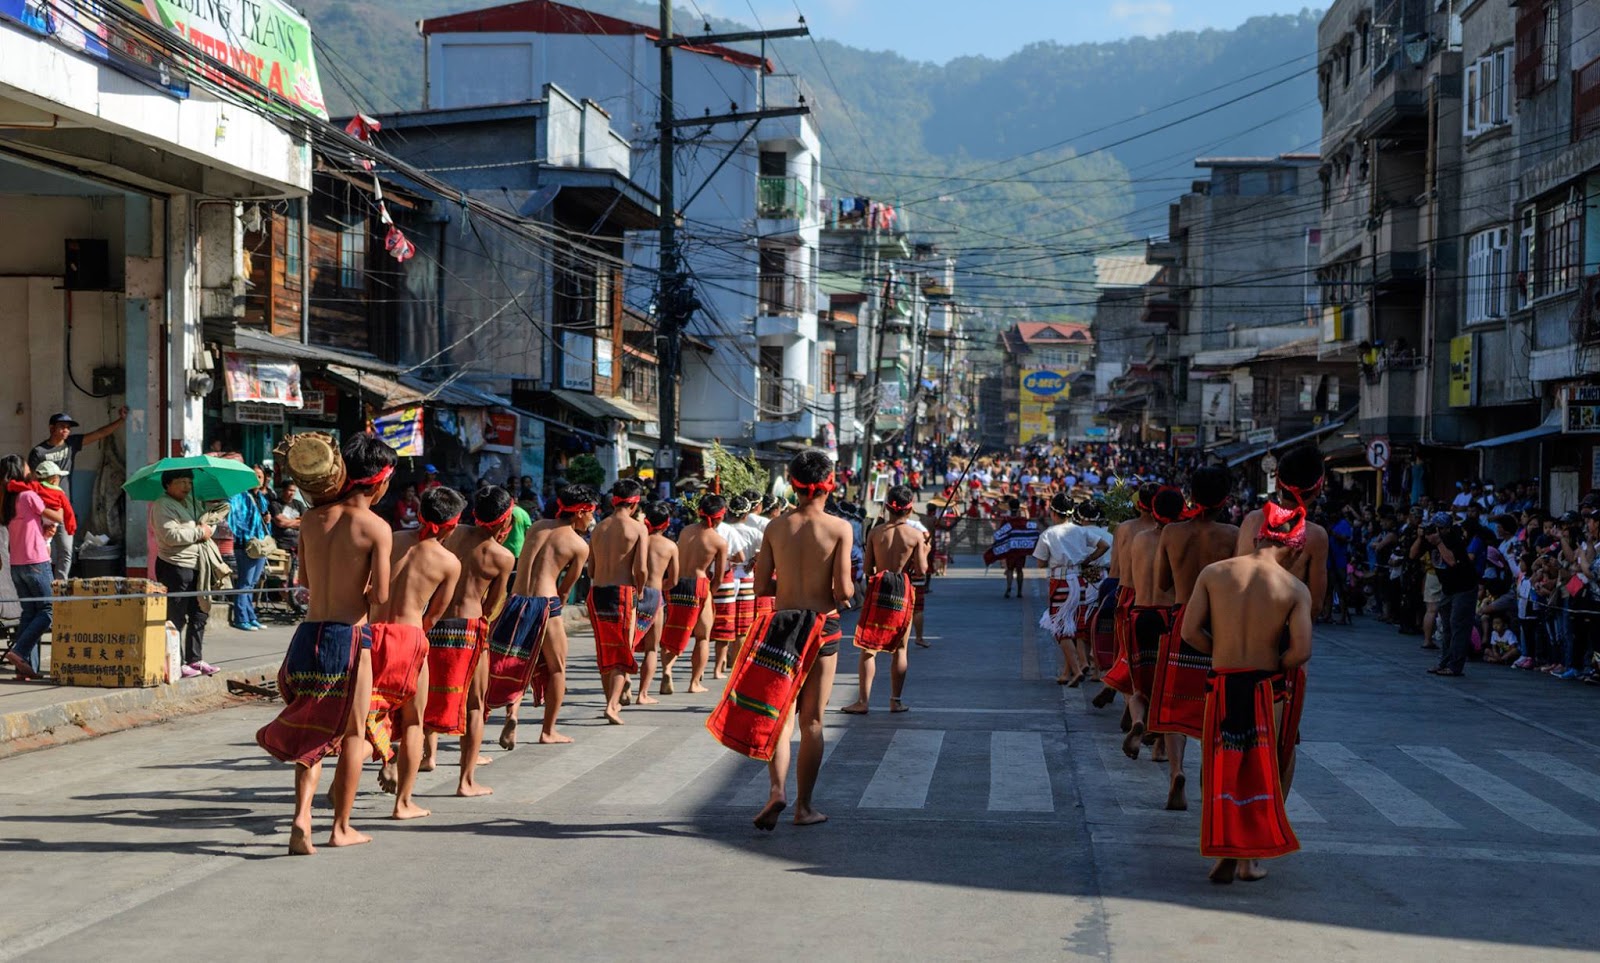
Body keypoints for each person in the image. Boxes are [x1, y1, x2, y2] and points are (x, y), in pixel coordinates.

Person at [255, 432, 396, 855]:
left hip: (306, 636)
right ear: (379, 482)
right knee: (354, 735)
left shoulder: (312, 521)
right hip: (348, 637)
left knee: (311, 731)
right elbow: (382, 596)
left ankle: (302, 817)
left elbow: (304, 583)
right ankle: (340, 827)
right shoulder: (376, 527)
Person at [711, 448, 852, 830]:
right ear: (829, 485)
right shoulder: (839, 528)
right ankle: (804, 807)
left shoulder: (775, 528)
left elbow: (760, 586)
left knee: (781, 714)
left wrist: (791, 582)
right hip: (822, 626)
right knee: (814, 722)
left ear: (793, 486)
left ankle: (776, 790)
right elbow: (843, 589)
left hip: (782, 625)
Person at [1182, 502, 1314, 885]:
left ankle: (1224, 850)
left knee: (1218, 767)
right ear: (1295, 547)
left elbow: (1190, 633)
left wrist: (1222, 652)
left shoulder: (1214, 573)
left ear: (1258, 537)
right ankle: (1248, 860)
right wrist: (1275, 660)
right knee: (1260, 769)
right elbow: (1301, 651)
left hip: (1222, 682)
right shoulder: (1293, 587)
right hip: (1264, 686)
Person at [370, 485, 463, 819]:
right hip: (409, 636)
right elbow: (434, 615)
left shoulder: (391, 538)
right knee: (413, 721)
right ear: (452, 525)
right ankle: (404, 803)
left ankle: (343, 788)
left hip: (372, 632)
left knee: (362, 716)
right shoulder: (449, 562)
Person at [1149, 466, 1237, 811]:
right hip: (1221, 620)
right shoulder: (1233, 534)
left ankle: (1176, 772)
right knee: (1216, 701)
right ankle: (1208, 769)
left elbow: (1162, 584)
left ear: (1192, 497)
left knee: (1174, 702)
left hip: (1182, 617)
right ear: (1225, 499)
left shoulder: (1171, 533)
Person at [422, 486, 515, 796]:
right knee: (474, 705)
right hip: (470, 629)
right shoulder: (502, 557)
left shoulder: (455, 533)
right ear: (504, 522)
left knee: (429, 694)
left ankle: (428, 755)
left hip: (434, 622)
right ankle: (466, 781)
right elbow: (492, 607)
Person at [507, 484, 597, 746]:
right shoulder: (578, 545)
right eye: (591, 513)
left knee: (519, 663)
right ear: (580, 512)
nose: (592, 519)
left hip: (516, 600)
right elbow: (565, 590)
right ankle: (548, 730)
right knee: (557, 668)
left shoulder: (537, 526)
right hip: (546, 602)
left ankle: (512, 713)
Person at [841, 486, 928, 714]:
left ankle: (863, 701)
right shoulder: (915, 535)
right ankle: (895, 700)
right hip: (902, 589)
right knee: (900, 648)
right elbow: (921, 571)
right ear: (910, 510)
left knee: (868, 647)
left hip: (878, 588)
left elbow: (868, 568)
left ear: (888, 507)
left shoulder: (875, 533)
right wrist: (924, 551)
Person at [1121, 487, 1185, 761]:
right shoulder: (1180, 539)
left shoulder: (1137, 538)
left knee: (1139, 685)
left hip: (1139, 612)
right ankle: (1160, 749)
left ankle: (1138, 719)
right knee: (1166, 685)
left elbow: (1128, 579)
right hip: (1167, 615)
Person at [27, 408, 126, 580]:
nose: (66, 430)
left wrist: (121, 420)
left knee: (66, 551)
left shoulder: (71, 444)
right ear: (51, 428)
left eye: (68, 427)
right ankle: (43, 583)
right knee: (42, 548)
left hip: (64, 508)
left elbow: (99, 433)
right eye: (62, 426)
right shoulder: (39, 452)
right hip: (42, 509)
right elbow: (31, 482)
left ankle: (59, 586)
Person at [1033, 491, 1110, 687]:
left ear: (1053, 512)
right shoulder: (1080, 531)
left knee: (1059, 627)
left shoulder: (1048, 534)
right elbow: (1103, 545)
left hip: (1061, 581)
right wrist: (1087, 559)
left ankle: (1076, 668)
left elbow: (1040, 564)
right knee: (1074, 625)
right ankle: (1081, 664)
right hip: (1080, 580)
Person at [588, 479, 649, 725]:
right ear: (634, 504)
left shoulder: (599, 528)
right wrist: (641, 590)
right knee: (623, 651)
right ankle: (612, 706)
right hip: (622, 593)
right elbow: (641, 569)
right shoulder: (637, 529)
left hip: (597, 592)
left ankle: (609, 700)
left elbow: (590, 569)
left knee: (605, 650)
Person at [150, 468, 221, 677]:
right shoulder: (162, 505)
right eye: (181, 482)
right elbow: (171, 535)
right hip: (176, 565)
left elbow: (209, 523)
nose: (186, 487)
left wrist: (207, 529)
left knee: (200, 612)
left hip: (199, 565)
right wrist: (200, 532)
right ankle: (177, 661)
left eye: (189, 482)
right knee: (176, 616)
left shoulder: (193, 502)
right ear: (168, 484)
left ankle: (195, 659)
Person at [659, 495, 728, 695]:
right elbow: (720, 577)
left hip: (677, 583)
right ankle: (694, 682)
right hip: (699, 585)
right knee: (702, 637)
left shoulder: (686, 531)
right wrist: (710, 593)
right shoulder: (718, 541)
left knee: (672, 629)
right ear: (720, 517)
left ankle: (667, 669)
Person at [2, 455, 61, 679]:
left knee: (30, 612)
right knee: (49, 610)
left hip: (17, 563)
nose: (30, 468)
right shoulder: (28, 496)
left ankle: (25, 668)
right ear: (19, 470)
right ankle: (19, 651)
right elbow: (56, 516)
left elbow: (29, 525)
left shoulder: (8, 499)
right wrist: (61, 499)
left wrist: (43, 531)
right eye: (26, 465)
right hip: (36, 561)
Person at [632, 501, 679, 705]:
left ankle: (624, 682)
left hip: (633, 593)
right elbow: (674, 580)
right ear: (667, 523)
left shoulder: (636, 541)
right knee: (652, 648)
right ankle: (642, 694)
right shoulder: (670, 546)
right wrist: (660, 585)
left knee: (628, 645)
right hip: (655, 593)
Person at [1421, 512, 1478, 678]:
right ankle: (1444, 661)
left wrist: (1438, 542)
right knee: (1446, 626)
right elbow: (1412, 554)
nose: (1435, 531)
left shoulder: (1455, 540)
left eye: (1438, 528)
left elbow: (1451, 561)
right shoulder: (1431, 540)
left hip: (1464, 587)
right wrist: (1421, 538)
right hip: (1448, 588)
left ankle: (1455, 666)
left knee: (1458, 625)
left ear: (1446, 528)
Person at [228, 467, 271, 632]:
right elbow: (236, 521)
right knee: (244, 583)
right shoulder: (239, 497)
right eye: (254, 476)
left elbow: (264, 521)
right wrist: (248, 537)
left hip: (260, 545)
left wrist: (267, 520)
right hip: (246, 545)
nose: (257, 480)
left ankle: (251, 616)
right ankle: (241, 618)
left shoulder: (261, 498)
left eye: (260, 476)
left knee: (251, 584)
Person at [27, 461, 76, 582]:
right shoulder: (59, 493)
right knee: (60, 550)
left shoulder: (33, 489)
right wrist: (71, 527)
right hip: (49, 521)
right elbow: (67, 512)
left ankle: (52, 578)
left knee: (46, 545)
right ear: (54, 480)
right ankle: (57, 583)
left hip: (41, 522)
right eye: (59, 477)